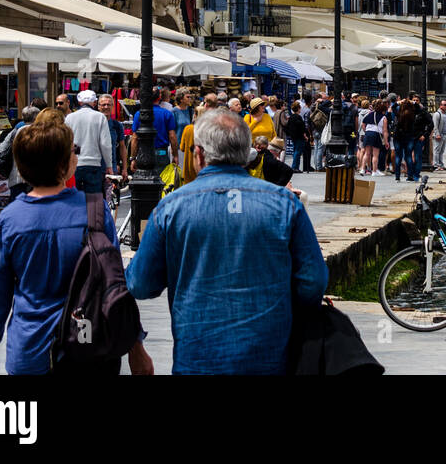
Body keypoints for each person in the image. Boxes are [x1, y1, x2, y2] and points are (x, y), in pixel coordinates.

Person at [125, 109, 327, 373]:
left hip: (197, 357)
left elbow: (141, 284)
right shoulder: (285, 204)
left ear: (198, 155)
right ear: (248, 153)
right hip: (271, 356)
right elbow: (314, 281)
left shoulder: (171, 208)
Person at [0, 120, 154, 376]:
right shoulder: (94, 210)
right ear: (64, 163)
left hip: (31, 347)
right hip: (88, 346)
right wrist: (135, 346)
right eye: (74, 150)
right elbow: (114, 284)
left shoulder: (11, 218)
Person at [63, 89, 113, 196]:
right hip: (93, 165)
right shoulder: (100, 117)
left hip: (74, 164)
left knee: (74, 199)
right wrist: (109, 165)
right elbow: (105, 144)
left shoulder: (70, 118)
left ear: (79, 102)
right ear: (94, 103)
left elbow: (66, 142)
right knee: (92, 200)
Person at [0, 105, 41, 202]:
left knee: (17, 208)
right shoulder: (41, 132)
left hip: (17, 178)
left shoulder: (15, 132)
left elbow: (0, 149)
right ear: (37, 117)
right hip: (36, 178)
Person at [360, 100, 389, 176]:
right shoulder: (384, 118)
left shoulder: (369, 114)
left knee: (367, 153)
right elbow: (385, 131)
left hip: (368, 134)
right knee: (375, 154)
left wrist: (366, 131)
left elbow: (363, 124)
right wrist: (386, 142)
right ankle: (374, 171)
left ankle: (362, 169)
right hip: (376, 135)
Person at [285, 100, 312, 173]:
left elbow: (288, 127)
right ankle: (295, 167)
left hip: (294, 137)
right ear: (298, 108)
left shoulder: (291, 117)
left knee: (295, 151)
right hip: (299, 137)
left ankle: (295, 166)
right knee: (298, 152)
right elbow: (302, 128)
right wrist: (305, 136)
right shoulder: (298, 117)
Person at [430, 100, 446, 171]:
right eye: (444, 105)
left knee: (442, 151)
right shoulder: (437, 114)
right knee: (437, 150)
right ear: (440, 106)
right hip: (439, 135)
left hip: (444, 135)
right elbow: (435, 125)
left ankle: (441, 164)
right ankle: (436, 164)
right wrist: (437, 134)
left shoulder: (445, 114)